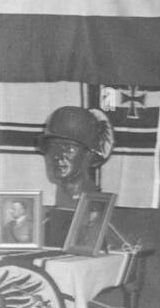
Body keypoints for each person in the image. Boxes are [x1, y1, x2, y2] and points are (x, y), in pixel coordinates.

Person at [37, 105, 115, 245]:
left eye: (68, 148)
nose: (57, 156)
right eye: (53, 147)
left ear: (88, 155)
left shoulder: (96, 208)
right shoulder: (49, 214)